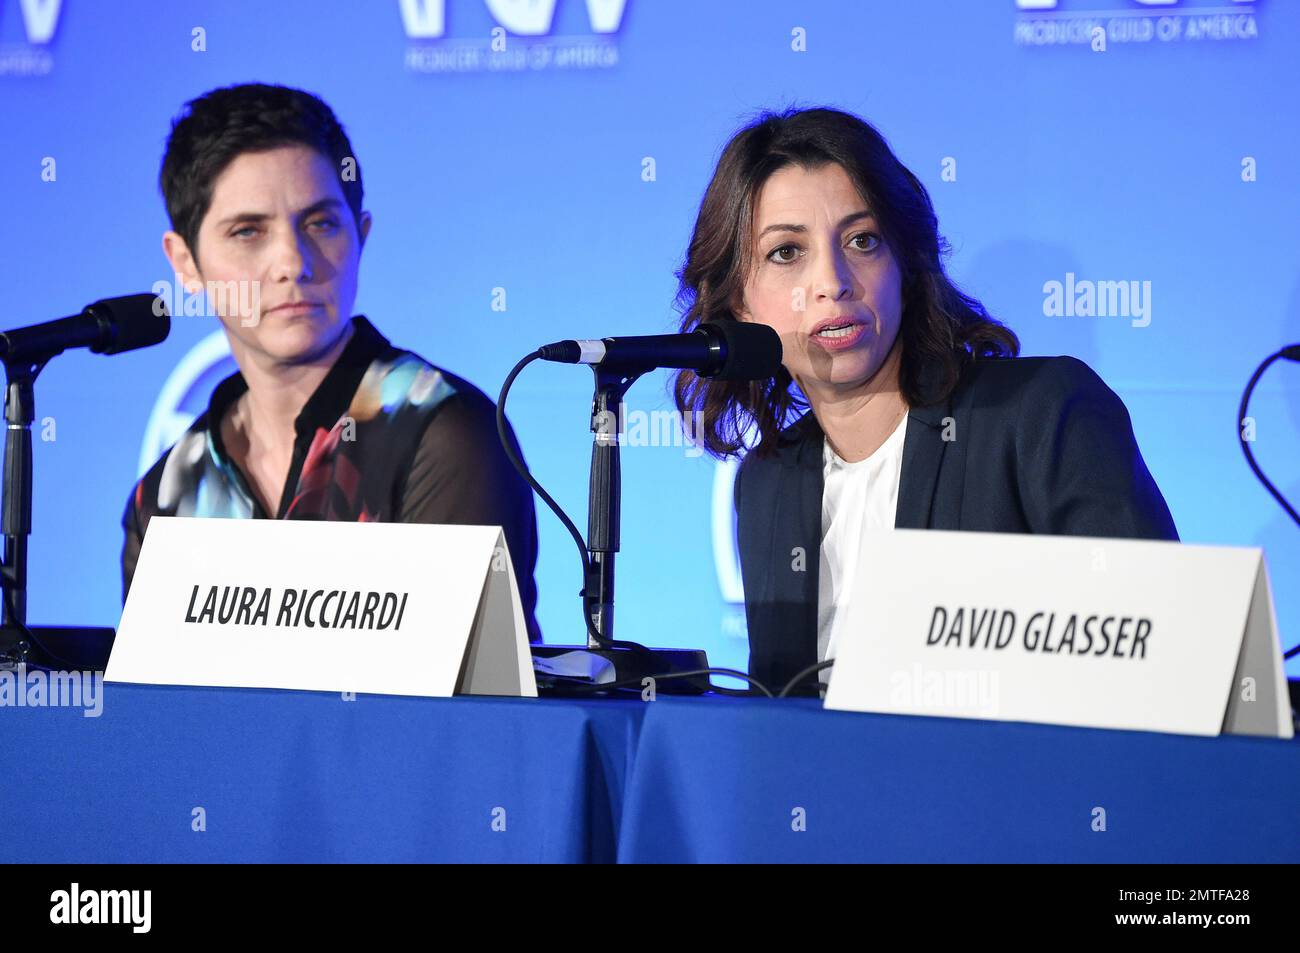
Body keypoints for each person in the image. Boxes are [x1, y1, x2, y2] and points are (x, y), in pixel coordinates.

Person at [672, 107, 1177, 692]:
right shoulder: (767, 482)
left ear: (906, 267)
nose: (832, 281)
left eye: (862, 241)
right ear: (738, 302)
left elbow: (1155, 663)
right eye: (786, 252)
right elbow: (781, 720)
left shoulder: (1041, 416)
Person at [122, 83, 541, 641]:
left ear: (361, 235)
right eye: (248, 232)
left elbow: (460, 708)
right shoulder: (169, 491)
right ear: (185, 263)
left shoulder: (445, 433)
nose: (292, 262)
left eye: (320, 224)